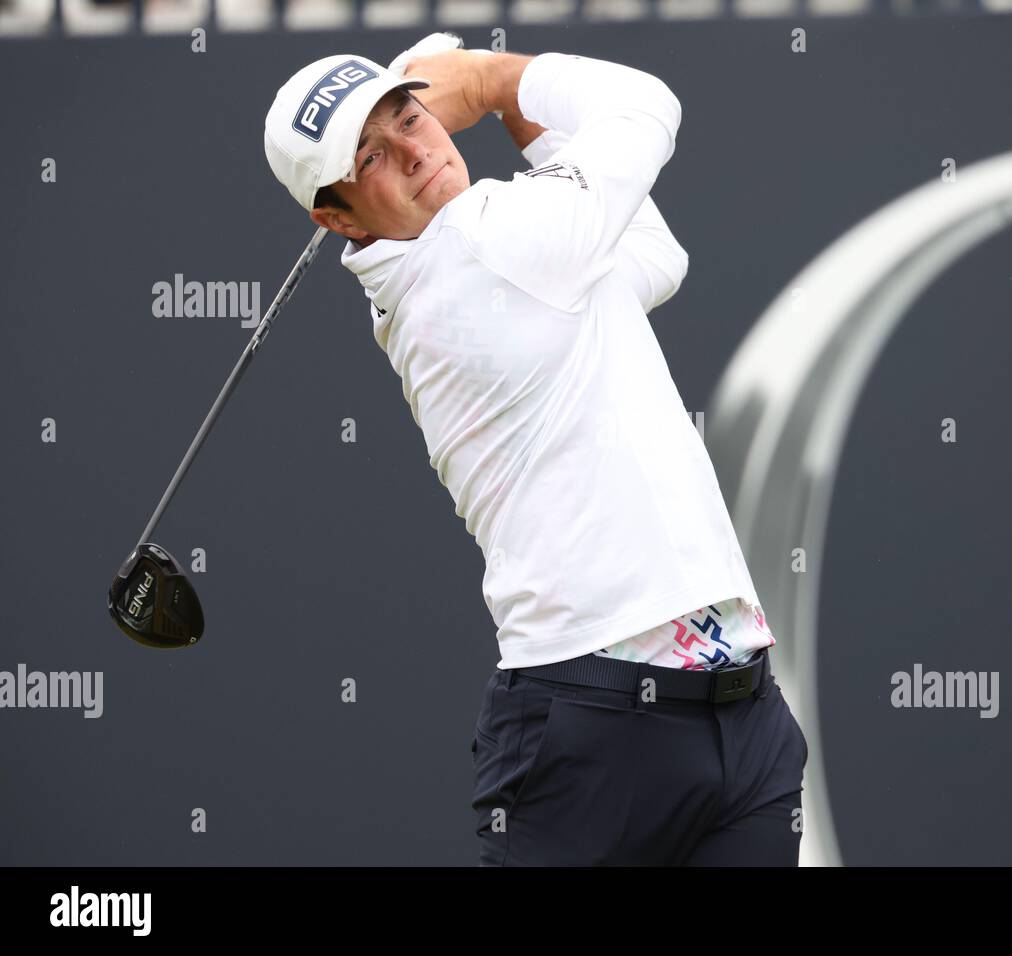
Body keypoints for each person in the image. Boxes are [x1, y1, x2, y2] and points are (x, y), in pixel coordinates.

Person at [263, 39, 808, 866]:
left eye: (409, 116)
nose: (414, 151)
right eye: (372, 155)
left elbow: (654, 258)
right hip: (597, 726)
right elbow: (649, 104)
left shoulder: (509, 252)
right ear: (337, 217)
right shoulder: (488, 240)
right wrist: (493, 78)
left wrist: (521, 116)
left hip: (738, 710)